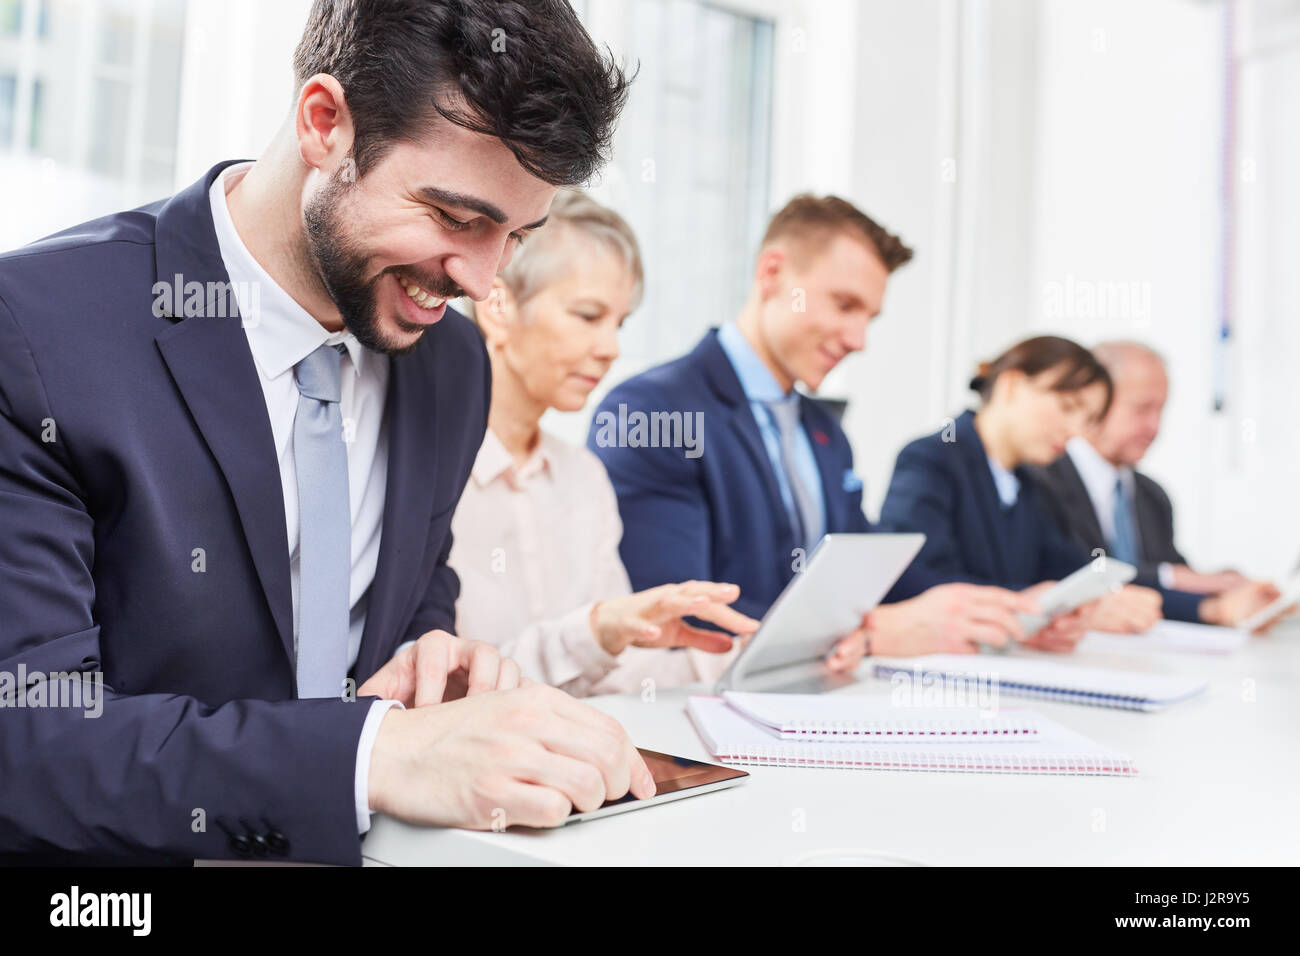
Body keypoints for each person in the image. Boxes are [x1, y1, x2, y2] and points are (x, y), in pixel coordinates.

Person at [0, 0, 658, 865]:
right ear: (325, 124)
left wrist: (436, 660)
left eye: (517, 235)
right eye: (458, 218)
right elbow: (30, 739)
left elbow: (416, 594)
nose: (482, 279)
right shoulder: (39, 330)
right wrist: (372, 757)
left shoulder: (454, 366)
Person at [589, 195, 1086, 657]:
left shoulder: (824, 432)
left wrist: (1013, 609)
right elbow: (677, 619)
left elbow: (872, 572)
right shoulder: (652, 412)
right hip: (690, 723)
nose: (858, 339)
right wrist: (871, 635)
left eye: (870, 316)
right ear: (772, 274)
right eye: (844, 305)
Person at [450, 189, 761, 697]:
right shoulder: (431, 476)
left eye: (620, 324)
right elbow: (454, 689)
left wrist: (741, 657)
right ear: (498, 307)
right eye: (589, 316)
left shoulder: (583, 477)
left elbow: (614, 675)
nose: (611, 349)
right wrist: (596, 632)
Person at [877, 336, 1278, 630]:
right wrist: (1036, 604)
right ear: (1013, 385)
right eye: (1068, 408)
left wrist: (1207, 608)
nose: (1074, 430)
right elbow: (914, 577)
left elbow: (1083, 573)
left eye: (1085, 419)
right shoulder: (932, 458)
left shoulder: (1027, 483)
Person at [1029, 340, 1262, 598]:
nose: (1155, 427)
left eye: (1160, 410)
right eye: (1141, 409)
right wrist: (1169, 577)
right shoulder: (1039, 480)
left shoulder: (1152, 497)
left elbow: (1181, 582)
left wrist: (1225, 590)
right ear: (1093, 399)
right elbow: (1074, 574)